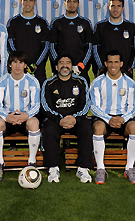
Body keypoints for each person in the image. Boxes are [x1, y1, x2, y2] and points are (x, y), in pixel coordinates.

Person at [41, 54, 92, 183]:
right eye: (61, 62)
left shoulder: (80, 82)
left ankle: (83, 168)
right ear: (57, 67)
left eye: (68, 62)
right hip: (56, 120)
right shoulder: (49, 83)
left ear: (72, 66)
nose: (65, 65)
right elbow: (45, 107)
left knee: (86, 127)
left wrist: (75, 119)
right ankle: (53, 168)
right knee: (49, 129)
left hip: (75, 120)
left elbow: (86, 104)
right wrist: (59, 119)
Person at [90, 50, 135, 184]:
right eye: (110, 62)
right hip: (104, 118)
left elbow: (134, 106)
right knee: (98, 127)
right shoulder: (97, 82)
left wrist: (123, 118)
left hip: (123, 118)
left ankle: (129, 168)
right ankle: (100, 168)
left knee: (134, 127)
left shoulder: (130, 83)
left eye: (116, 62)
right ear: (105, 63)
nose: (113, 65)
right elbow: (94, 107)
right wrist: (108, 119)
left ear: (121, 63)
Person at [0, 51, 42, 181]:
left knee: (34, 123)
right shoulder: (2, 81)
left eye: (21, 62)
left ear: (25, 65)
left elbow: (36, 104)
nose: (17, 66)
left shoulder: (32, 81)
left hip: (25, 118)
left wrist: (26, 115)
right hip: (8, 118)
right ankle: (0, 163)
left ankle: (32, 162)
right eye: (14, 62)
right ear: (9, 64)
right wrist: (6, 116)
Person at [6, 0, 50, 85]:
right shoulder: (13, 22)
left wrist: (35, 64)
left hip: (38, 70)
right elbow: (10, 44)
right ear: (21, 1)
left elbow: (46, 47)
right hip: (18, 68)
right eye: (25, 0)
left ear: (35, 2)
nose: (28, 4)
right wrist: (21, 63)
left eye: (31, 0)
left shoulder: (42, 23)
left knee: (37, 97)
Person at [48, 0, 93, 84]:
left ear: (78, 4)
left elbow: (89, 47)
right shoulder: (57, 22)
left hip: (80, 69)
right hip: (62, 69)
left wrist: (81, 65)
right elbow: (52, 47)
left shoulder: (85, 22)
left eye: (74, 2)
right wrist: (60, 64)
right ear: (64, 3)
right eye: (69, 1)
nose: (72, 4)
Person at [93, 0, 135, 78]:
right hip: (105, 72)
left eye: (118, 6)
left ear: (122, 8)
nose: (115, 9)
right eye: (113, 6)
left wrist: (130, 67)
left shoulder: (130, 26)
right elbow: (95, 49)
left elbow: (134, 49)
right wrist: (102, 67)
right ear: (108, 7)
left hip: (125, 72)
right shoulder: (100, 26)